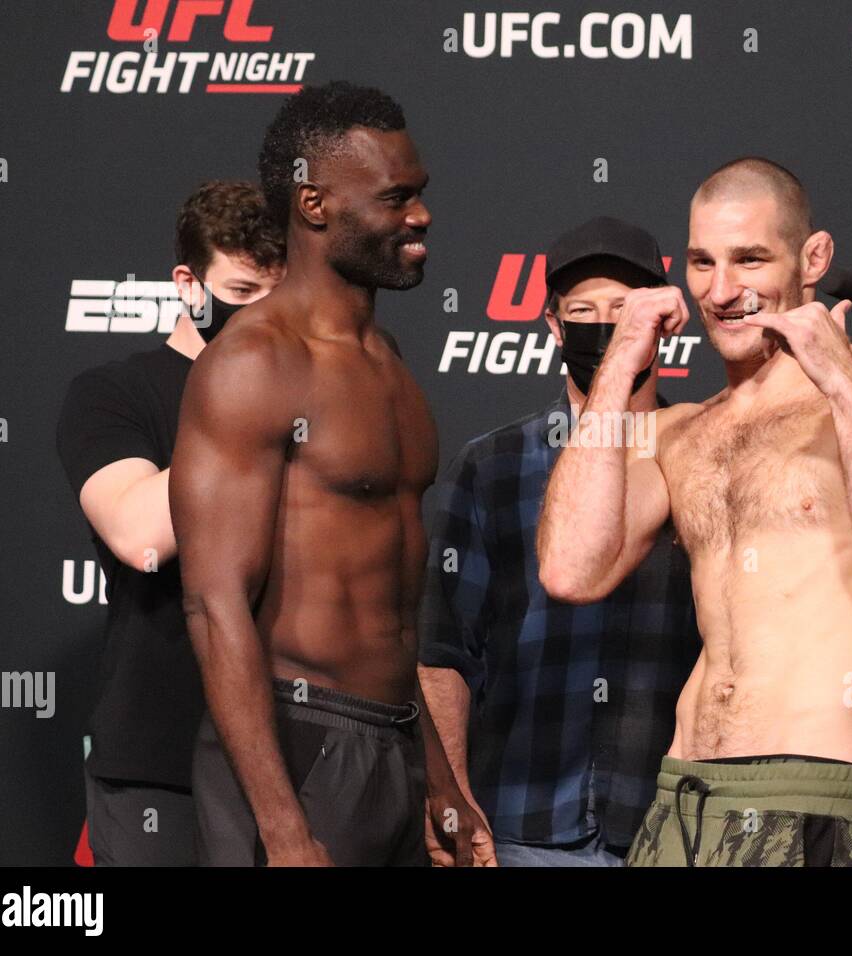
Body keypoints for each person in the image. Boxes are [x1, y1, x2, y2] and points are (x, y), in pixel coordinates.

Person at [538, 158, 852, 867]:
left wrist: (841, 381)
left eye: (750, 259)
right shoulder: (684, 430)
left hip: (811, 794)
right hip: (679, 798)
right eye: (702, 262)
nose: (721, 290)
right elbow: (570, 571)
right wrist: (619, 364)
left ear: (815, 258)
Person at [170, 81, 491, 867]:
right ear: (314, 206)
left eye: (420, 195)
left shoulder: (389, 366)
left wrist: (438, 780)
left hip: (393, 743)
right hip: (297, 743)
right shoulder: (254, 363)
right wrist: (282, 829)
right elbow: (215, 608)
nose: (419, 217)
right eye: (396, 198)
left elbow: (391, 613)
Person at [419, 217, 701, 866]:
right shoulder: (492, 463)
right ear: (552, 326)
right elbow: (443, 648)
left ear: (660, 319)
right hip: (522, 818)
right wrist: (452, 793)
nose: (607, 327)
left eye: (625, 311)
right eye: (584, 311)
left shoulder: (706, 451)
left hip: (674, 821)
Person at [56, 180, 285, 866]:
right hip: (162, 752)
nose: (263, 320)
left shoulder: (319, 388)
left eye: (279, 301)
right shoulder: (114, 394)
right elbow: (140, 534)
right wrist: (247, 402)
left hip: (301, 747)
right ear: (188, 284)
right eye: (242, 295)